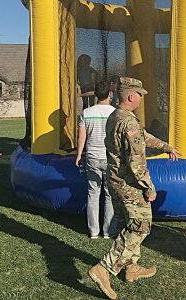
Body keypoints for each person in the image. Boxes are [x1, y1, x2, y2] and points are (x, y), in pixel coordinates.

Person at [88, 77, 181, 300]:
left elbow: (141, 137)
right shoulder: (128, 121)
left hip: (115, 181)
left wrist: (165, 146)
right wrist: (148, 187)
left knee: (126, 225)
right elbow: (136, 162)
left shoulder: (115, 116)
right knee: (141, 226)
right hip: (129, 184)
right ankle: (104, 268)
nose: (141, 98)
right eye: (140, 94)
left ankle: (131, 268)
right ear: (131, 96)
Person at [76, 81, 117, 239]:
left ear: (96, 95)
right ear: (109, 94)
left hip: (92, 157)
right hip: (109, 158)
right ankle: (108, 231)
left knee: (93, 194)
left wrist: (79, 155)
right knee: (109, 194)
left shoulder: (86, 113)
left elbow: (82, 137)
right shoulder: (115, 113)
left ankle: (93, 231)